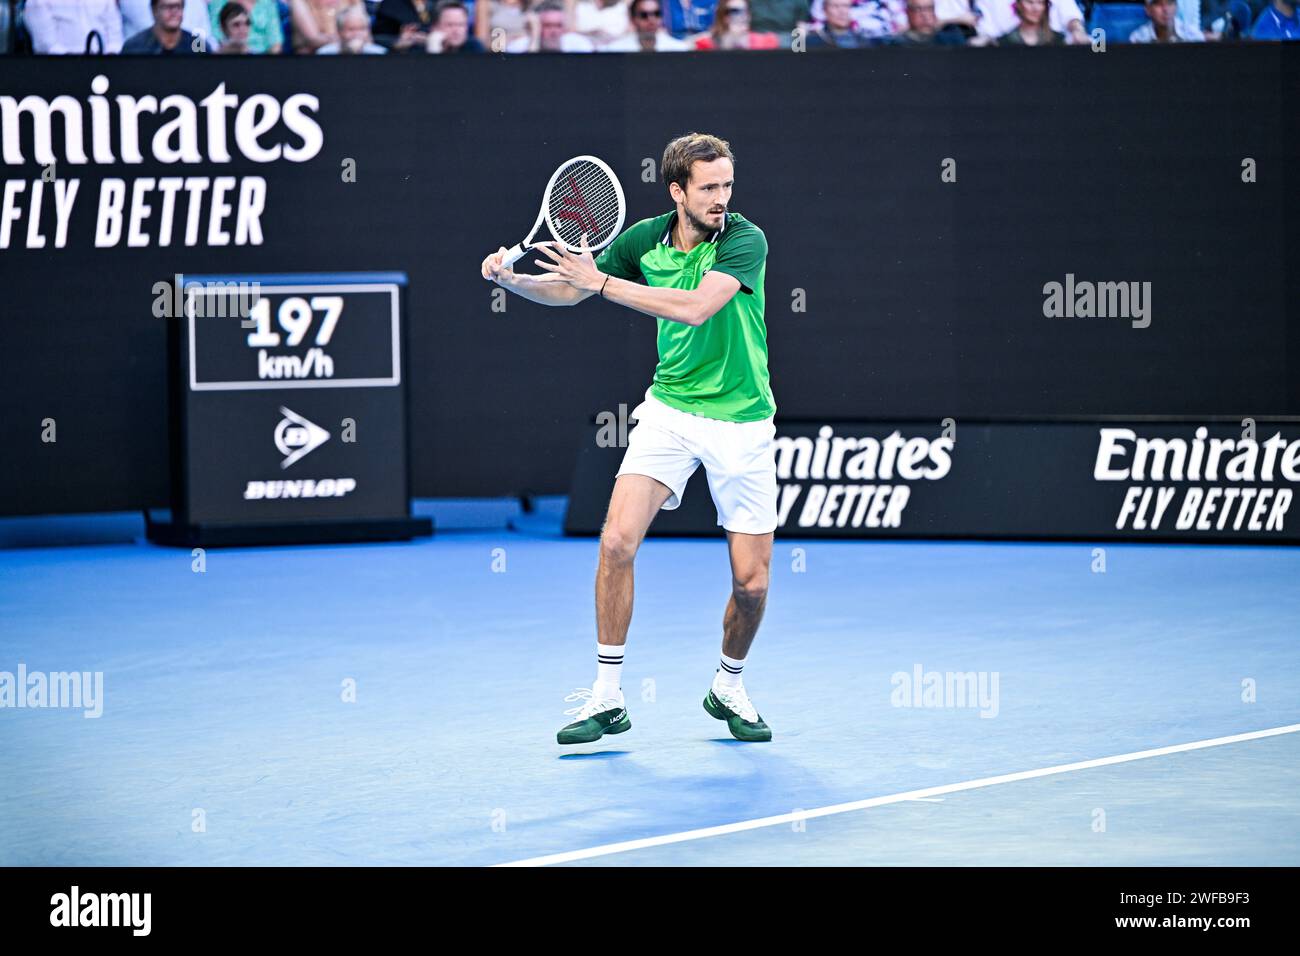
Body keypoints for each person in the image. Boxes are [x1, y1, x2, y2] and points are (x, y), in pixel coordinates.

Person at [480, 133, 778, 745]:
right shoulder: (644, 238)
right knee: (616, 541)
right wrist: (512, 281)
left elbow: (696, 308)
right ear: (678, 191)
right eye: (708, 188)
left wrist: (603, 285)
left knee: (751, 585)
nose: (722, 198)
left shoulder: (746, 240)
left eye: (727, 185)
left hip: (743, 421)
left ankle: (728, 685)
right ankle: (607, 694)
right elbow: (569, 289)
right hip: (670, 409)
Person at [24, 0, 123, 53]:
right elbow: (46, 46)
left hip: (105, 67)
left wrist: (109, 58)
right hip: (62, 71)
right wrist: (80, 62)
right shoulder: (37, 2)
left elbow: (115, 38)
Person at [506, 0, 596, 49]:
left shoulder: (578, 44)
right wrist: (534, 40)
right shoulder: (519, 45)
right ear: (538, 27)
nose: (554, 31)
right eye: (548, 25)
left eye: (558, 25)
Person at [123, 0, 205, 52]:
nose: (174, 12)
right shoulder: (134, 47)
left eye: (178, 6)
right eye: (167, 7)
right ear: (154, 10)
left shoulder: (197, 44)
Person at [603, 0, 691, 47]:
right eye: (644, 15)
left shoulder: (677, 49)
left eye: (656, 14)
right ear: (633, 19)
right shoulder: (616, 50)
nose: (651, 20)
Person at [694, 0, 782, 47]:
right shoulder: (708, 43)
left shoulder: (764, 42)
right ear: (724, 16)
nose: (741, 16)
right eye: (734, 11)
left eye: (745, 11)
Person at [208, 0, 283, 52]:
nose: (243, 29)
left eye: (248, 23)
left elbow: (275, 44)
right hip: (226, 56)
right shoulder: (217, 3)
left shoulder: (268, 4)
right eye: (236, 25)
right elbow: (215, 37)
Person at [290, 0, 364, 54]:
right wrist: (347, 41)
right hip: (312, 57)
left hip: (352, 53)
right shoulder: (299, 2)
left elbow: (363, 29)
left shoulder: (353, 1)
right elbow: (313, 39)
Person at [317, 4, 389, 50]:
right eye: (351, 29)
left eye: (361, 29)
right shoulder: (325, 54)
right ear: (339, 32)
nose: (357, 34)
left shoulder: (380, 54)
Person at [806, 0, 878, 43]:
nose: (842, 12)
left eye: (845, 6)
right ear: (824, 10)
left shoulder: (865, 41)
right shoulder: (811, 40)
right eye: (835, 6)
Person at [1129, 0, 1205, 39]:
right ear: (1148, 10)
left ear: (1176, 7)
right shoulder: (1138, 38)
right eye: (1158, 4)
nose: (1166, 9)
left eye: (1170, 3)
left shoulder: (1193, 35)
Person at [996, 0, 1063, 42]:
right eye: (1030, 2)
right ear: (1018, 4)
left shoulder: (1057, 40)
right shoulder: (1005, 41)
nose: (1036, 8)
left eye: (1040, 2)